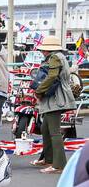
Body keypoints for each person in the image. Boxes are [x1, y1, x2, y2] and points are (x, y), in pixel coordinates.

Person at [34, 35, 76, 174]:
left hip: (55, 97)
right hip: (56, 96)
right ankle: (48, 158)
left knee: (54, 132)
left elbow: (52, 76)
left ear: (48, 50)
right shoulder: (60, 56)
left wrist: (39, 90)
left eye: (44, 49)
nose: (42, 51)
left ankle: (58, 164)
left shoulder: (55, 58)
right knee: (46, 129)